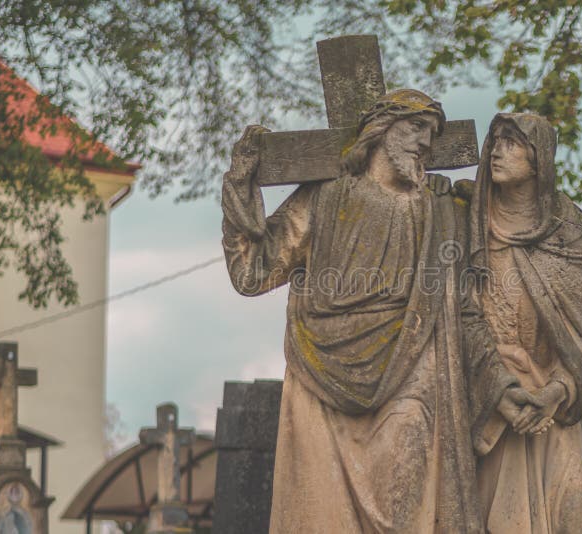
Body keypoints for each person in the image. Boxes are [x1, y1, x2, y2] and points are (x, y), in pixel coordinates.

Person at [221, 90, 531, 533]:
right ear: (381, 128)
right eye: (415, 127)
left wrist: (497, 382)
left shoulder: (438, 209)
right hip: (321, 367)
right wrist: (240, 184)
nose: (425, 142)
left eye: (432, 133)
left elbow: (463, 309)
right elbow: (254, 272)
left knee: (409, 498)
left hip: (411, 364)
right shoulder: (324, 196)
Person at [467, 113, 582, 533]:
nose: (497, 152)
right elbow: (457, 314)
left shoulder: (569, 228)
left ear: (539, 158)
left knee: (565, 509)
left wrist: (556, 391)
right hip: (485, 396)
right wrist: (498, 387)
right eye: (495, 142)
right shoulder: (468, 219)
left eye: (511, 143)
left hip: (549, 403)